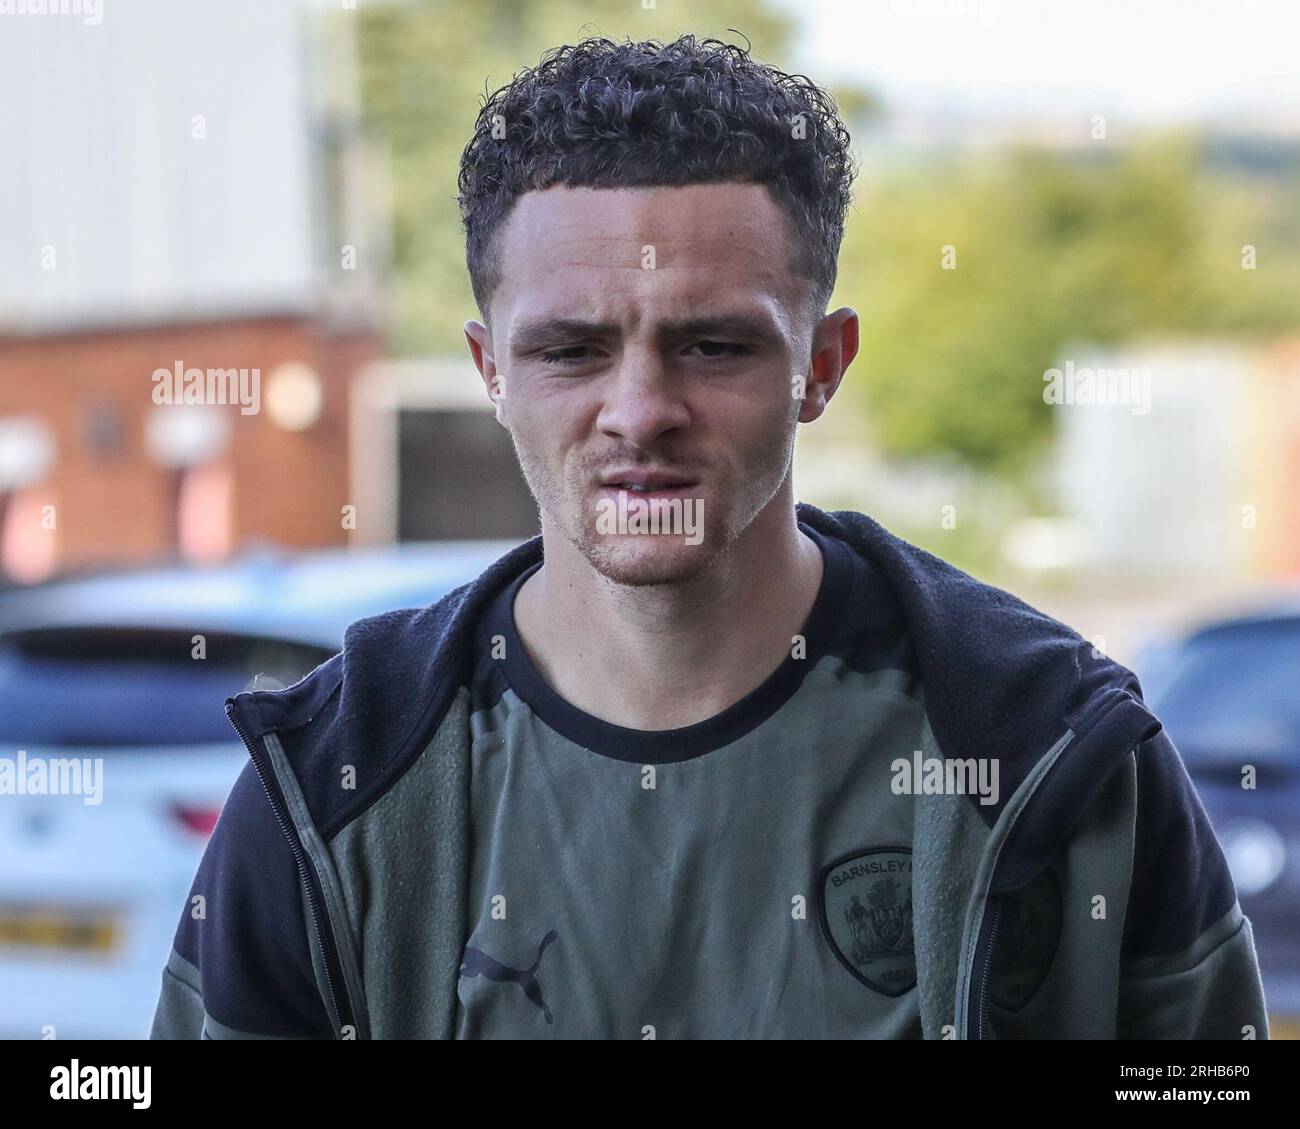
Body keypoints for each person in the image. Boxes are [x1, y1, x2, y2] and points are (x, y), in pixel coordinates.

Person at [150, 33, 1268, 1040]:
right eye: (570, 350)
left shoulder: (1056, 754)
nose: (640, 410)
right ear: (491, 371)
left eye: (714, 347)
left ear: (820, 366)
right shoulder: (337, 783)